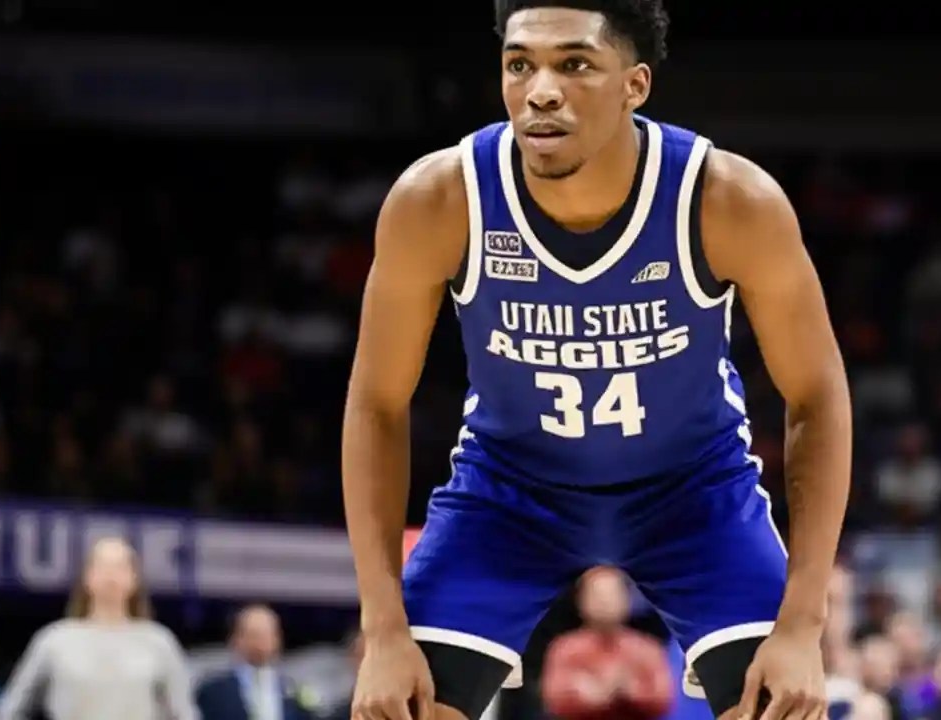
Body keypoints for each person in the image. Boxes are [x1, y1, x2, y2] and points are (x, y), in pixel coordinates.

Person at [340, 1, 852, 718]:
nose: (540, 89)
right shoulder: (440, 199)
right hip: (509, 493)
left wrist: (803, 624)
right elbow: (375, 405)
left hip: (691, 492)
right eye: (520, 65)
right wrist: (382, 628)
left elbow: (819, 397)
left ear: (634, 85)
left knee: (785, 705)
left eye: (574, 64)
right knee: (399, 707)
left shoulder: (728, 200)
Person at [0, 536, 197, 720]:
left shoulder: (159, 642)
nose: (111, 575)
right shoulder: (54, 640)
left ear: (135, 578)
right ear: (87, 576)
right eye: (102, 566)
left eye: (120, 567)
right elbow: (10, 709)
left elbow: (184, 713)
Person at [541, 567, 672, 719]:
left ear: (627, 599)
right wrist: (589, 695)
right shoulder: (565, 648)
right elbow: (554, 700)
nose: (605, 602)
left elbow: (663, 700)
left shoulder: (646, 648)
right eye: (597, 595)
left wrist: (629, 689)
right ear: (581, 600)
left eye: (612, 594)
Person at [195, 603, 318, 720]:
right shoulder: (213, 692)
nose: (261, 643)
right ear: (236, 639)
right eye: (254, 635)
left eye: (268, 634)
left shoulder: (294, 692)